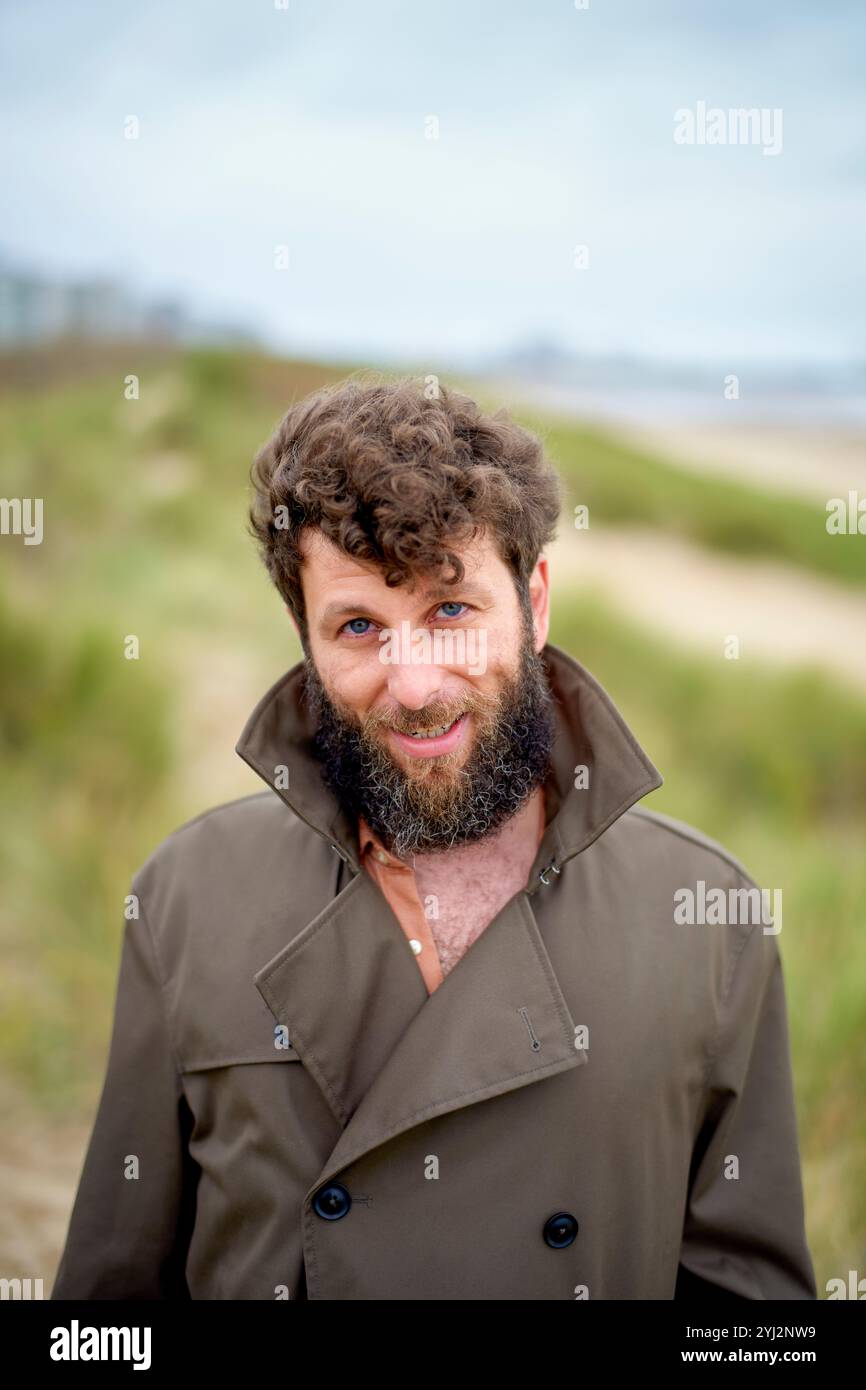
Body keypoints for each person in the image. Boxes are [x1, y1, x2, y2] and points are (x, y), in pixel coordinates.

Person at [51, 376, 816, 1300]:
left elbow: (757, 1325)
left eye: (451, 611)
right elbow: (104, 1309)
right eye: (360, 626)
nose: (412, 686)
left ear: (535, 602)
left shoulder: (711, 922)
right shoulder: (184, 896)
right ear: (305, 639)